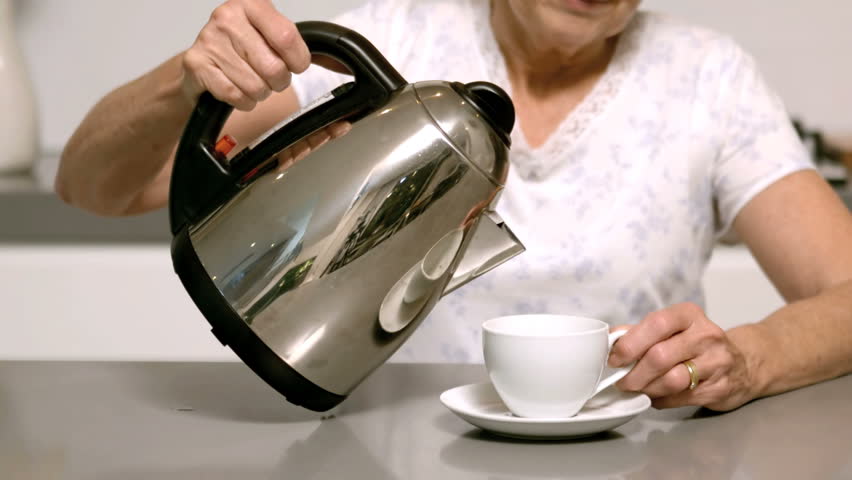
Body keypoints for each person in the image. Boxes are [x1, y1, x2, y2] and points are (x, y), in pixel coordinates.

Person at [55, 0, 852, 412]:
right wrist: (187, 81)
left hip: (635, 454)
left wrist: (750, 358)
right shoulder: (393, 34)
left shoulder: (708, 76)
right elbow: (95, 186)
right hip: (386, 450)